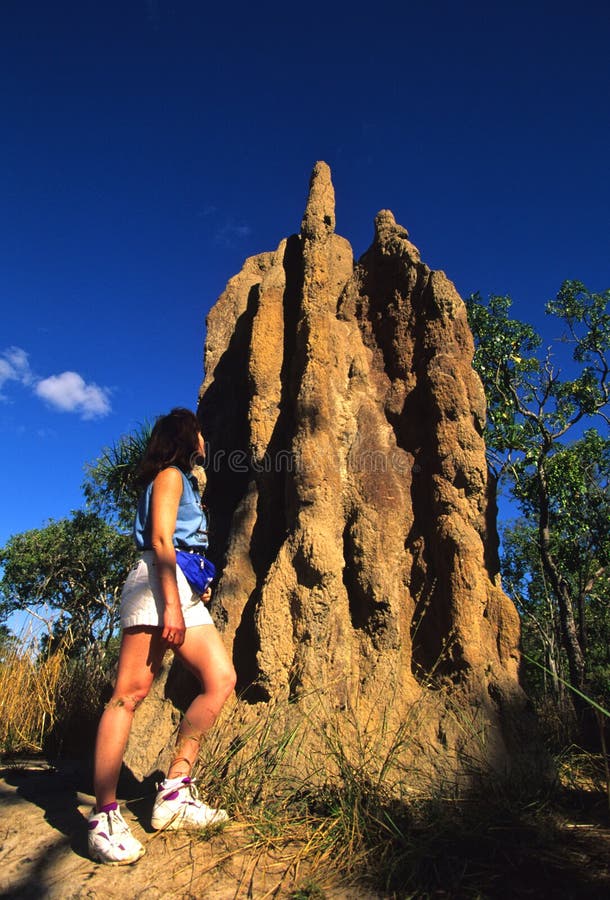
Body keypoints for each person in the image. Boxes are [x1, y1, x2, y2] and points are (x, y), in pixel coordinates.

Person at [88, 408, 236, 865]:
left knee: (221, 678)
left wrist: (194, 583)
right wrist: (171, 601)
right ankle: (102, 817)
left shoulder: (185, 482)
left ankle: (174, 792)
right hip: (156, 581)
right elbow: (159, 539)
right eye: (200, 430)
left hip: (179, 585)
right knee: (129, 694)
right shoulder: (171, 475)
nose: (205, 439)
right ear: (184, 436)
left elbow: (181, 544)